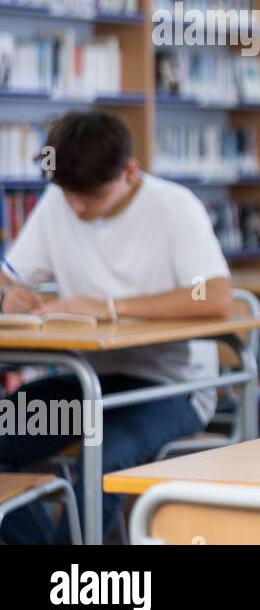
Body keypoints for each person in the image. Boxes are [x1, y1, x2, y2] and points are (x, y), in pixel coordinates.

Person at [0, 111, 234, 543]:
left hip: (172, 387)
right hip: (92, 383)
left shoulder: (174, 207)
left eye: (89, 196)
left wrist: (111, 306)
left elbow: (215, 296)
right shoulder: (60, 202)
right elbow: (9, 272)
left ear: (130, 171)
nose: (77, 206)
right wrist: (10, 293)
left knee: (104, 456)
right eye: (68, 194)